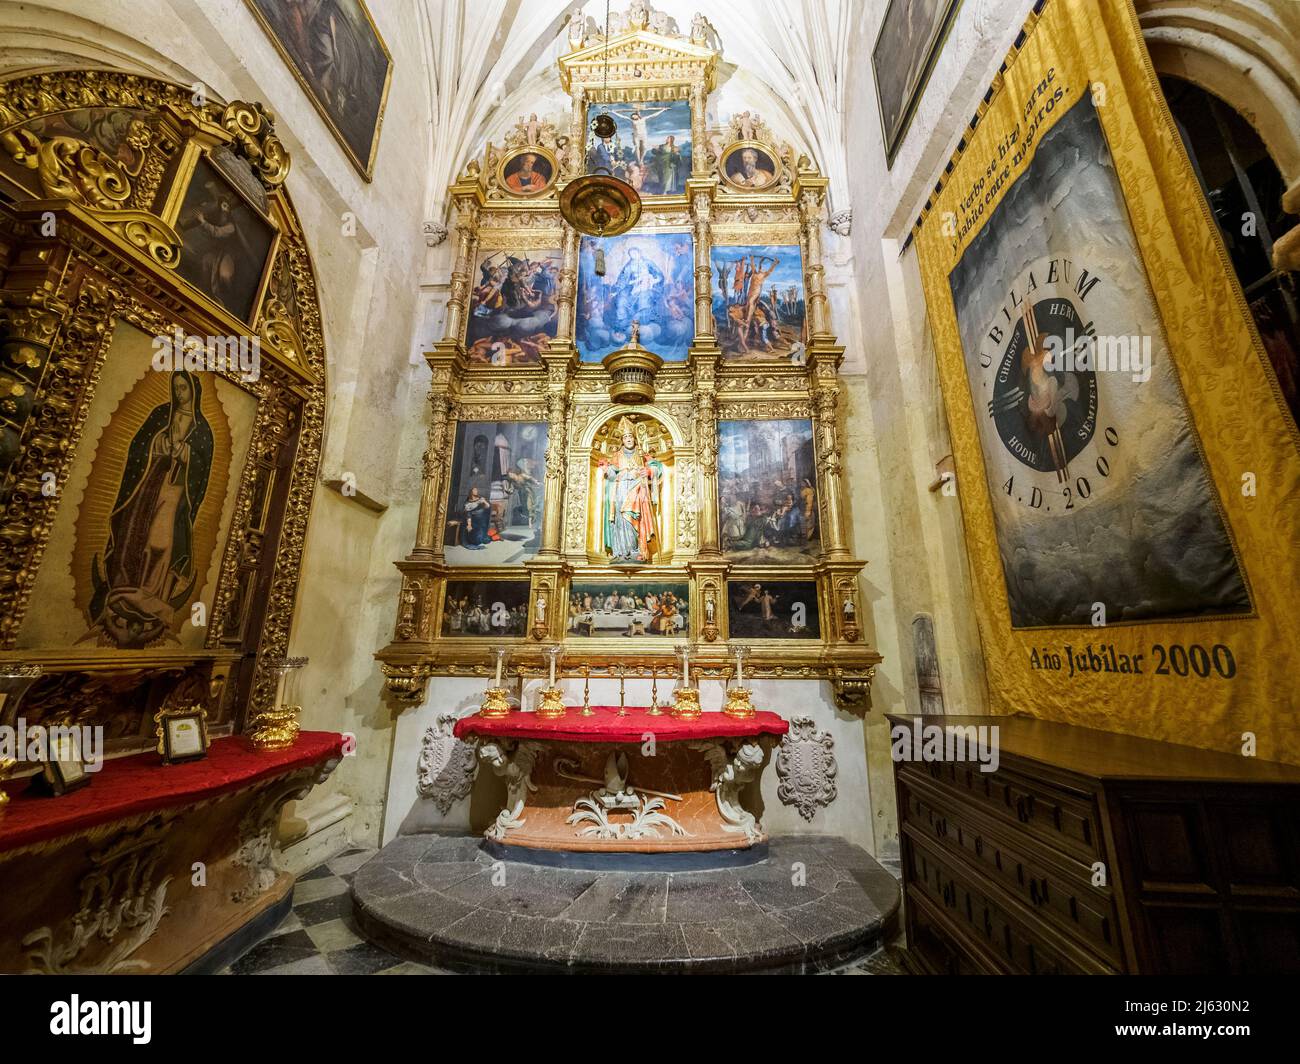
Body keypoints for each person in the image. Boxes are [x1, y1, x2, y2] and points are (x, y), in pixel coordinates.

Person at [599, 417, 662, 563]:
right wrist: (606, 468)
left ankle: (636, 550)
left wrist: (648, 471)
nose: (628, 439)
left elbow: (656, 467)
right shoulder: (617, 455)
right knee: (621, 520)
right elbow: (612, 473)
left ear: (634, 438)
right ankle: (620, 551)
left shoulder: (641, 454)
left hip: (637, 490)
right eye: (625, 437)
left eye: (630, 436)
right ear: (622, 439)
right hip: (620, 490)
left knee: (633, 518)